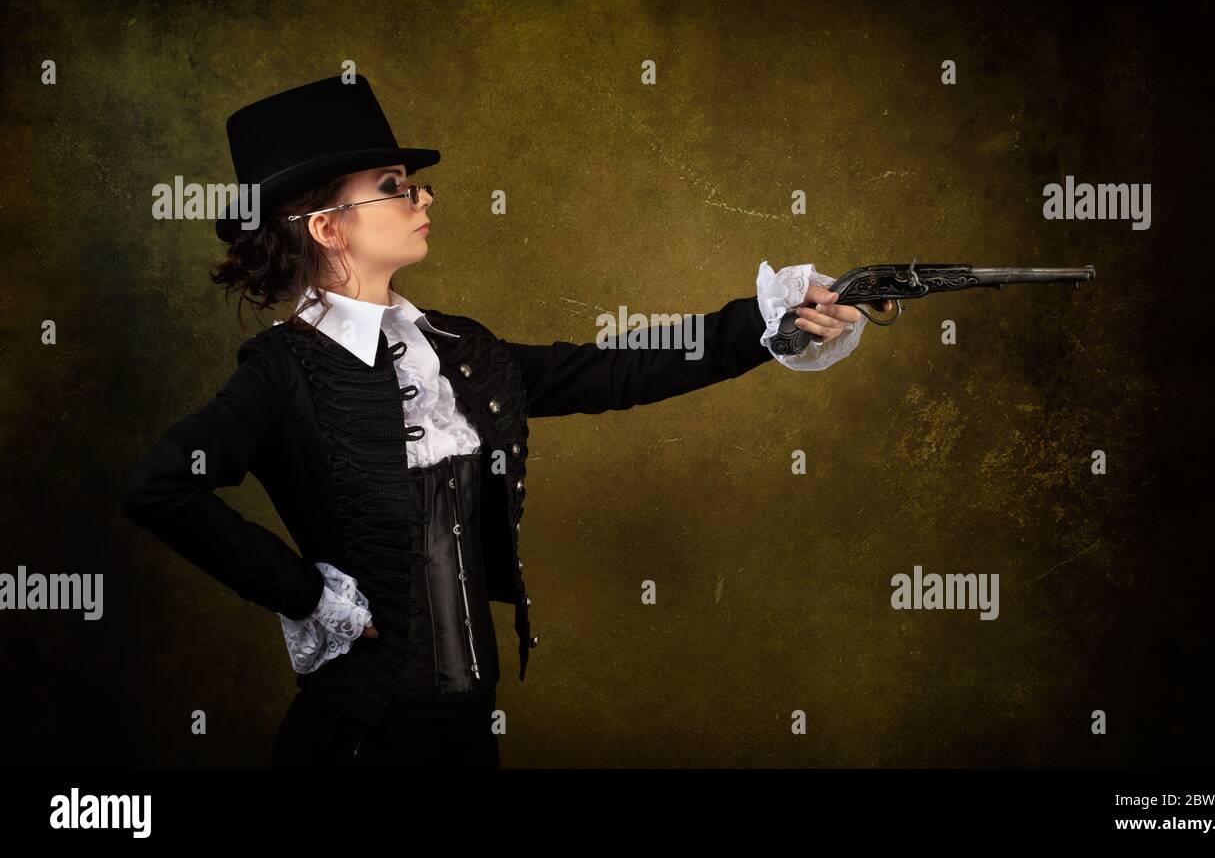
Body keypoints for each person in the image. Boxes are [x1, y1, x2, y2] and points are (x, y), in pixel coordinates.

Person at [120, 74, 892, 769]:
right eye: (395, 188)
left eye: (415, 186)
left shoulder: (461, 351)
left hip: (470, 725)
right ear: (328, 227)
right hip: (359, 736)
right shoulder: (282, 369)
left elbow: (615, 370)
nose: (424, 200)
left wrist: (765, 319)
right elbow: (161, 488)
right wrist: (306, 594)